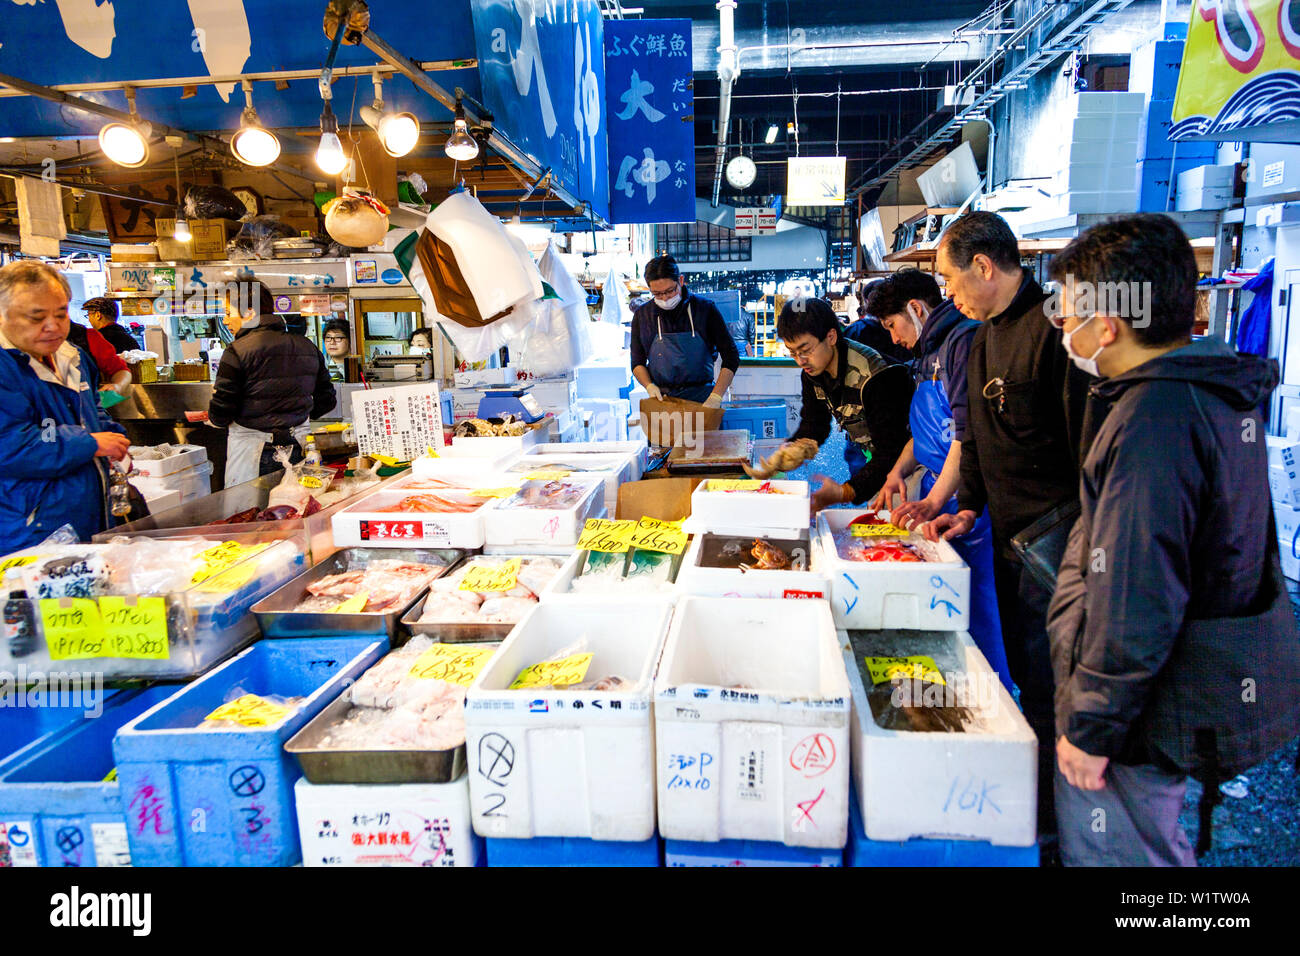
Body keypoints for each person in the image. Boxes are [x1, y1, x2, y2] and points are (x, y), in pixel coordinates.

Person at [1046, 214, 1300, 866]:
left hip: (1144, 717)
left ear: (1107, 324)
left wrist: (1093, 726)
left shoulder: (1152, 421)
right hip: (1172, 699)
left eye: (1069, 313)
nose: (1063, 329)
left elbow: (1135, 595)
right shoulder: (1201, 391)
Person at [921, 210, 1101, 835]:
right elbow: (975, 441)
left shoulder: (1058, 330)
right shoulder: (977, 338)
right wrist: (963, 503)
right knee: (1029, 675)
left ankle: (1064, 827)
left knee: (1064, 687)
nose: (946, 294)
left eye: (949, 280)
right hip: (1010, 543)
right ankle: (1044, 812)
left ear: (984, 266)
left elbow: (1093, 452)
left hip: (1063, 547)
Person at [867, 270, 1011, 690]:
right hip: (935, 488)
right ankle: (947, 685)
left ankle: (989, 697)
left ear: (916, 309)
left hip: (966, 498)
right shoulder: (928, 351)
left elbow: (965, 435)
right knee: (940, 598)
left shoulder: (963, 342)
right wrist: (898, 471)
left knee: (976, 604)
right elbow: (926, 430)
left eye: (893, 325)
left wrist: (936, 501)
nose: (893, 338)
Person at [0, 261, 129, 548]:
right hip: (29, 532)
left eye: (61, 314)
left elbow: (89, 410)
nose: (53, 326)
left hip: (86, 519)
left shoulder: (73, 356)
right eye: (37, 317)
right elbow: (9, 445)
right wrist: (89, 443)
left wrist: (112, 433)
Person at [763, 296, 913, 511]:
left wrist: (845, 492)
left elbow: (891, 450)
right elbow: (815, 423)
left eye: (805, 349)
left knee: (900, 525)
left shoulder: (876, 376)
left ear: (831, 337)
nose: (800, 360)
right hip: (870, 453)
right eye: (793, 352)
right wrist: (793, 447)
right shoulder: (812, 372)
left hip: (908, 463)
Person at [208, 283, 336, 488]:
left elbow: (221, 411)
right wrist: (295, 418)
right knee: (297, 511)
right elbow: (327, 400)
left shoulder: (236, 351)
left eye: (227, 312)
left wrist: (215, 417)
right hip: (299, 450)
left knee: (252, 516)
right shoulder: (307, 347)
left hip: (252, 455)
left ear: (249, 312)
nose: (225, 320)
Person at [630, 255, 739, 407]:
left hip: (703, 401)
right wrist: (649, 385)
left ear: (680, 281)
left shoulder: (705, 309)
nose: (665, 298)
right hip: (663, 402)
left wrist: (716, 396)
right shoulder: (643, 316)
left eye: (670, 291)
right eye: (657, 294)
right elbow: (637, 362)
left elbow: (731, 356)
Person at [65, 320, 132, 398]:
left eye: (59, 315)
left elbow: (121, 370)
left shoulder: (87, 337)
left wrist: (118, 386)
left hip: (87, 404)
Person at [321, 318, 351, 383]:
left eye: (338, 337)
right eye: (328, 337)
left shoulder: (362, 364)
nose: (332, 342)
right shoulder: (319, 365)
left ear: (350, 340)